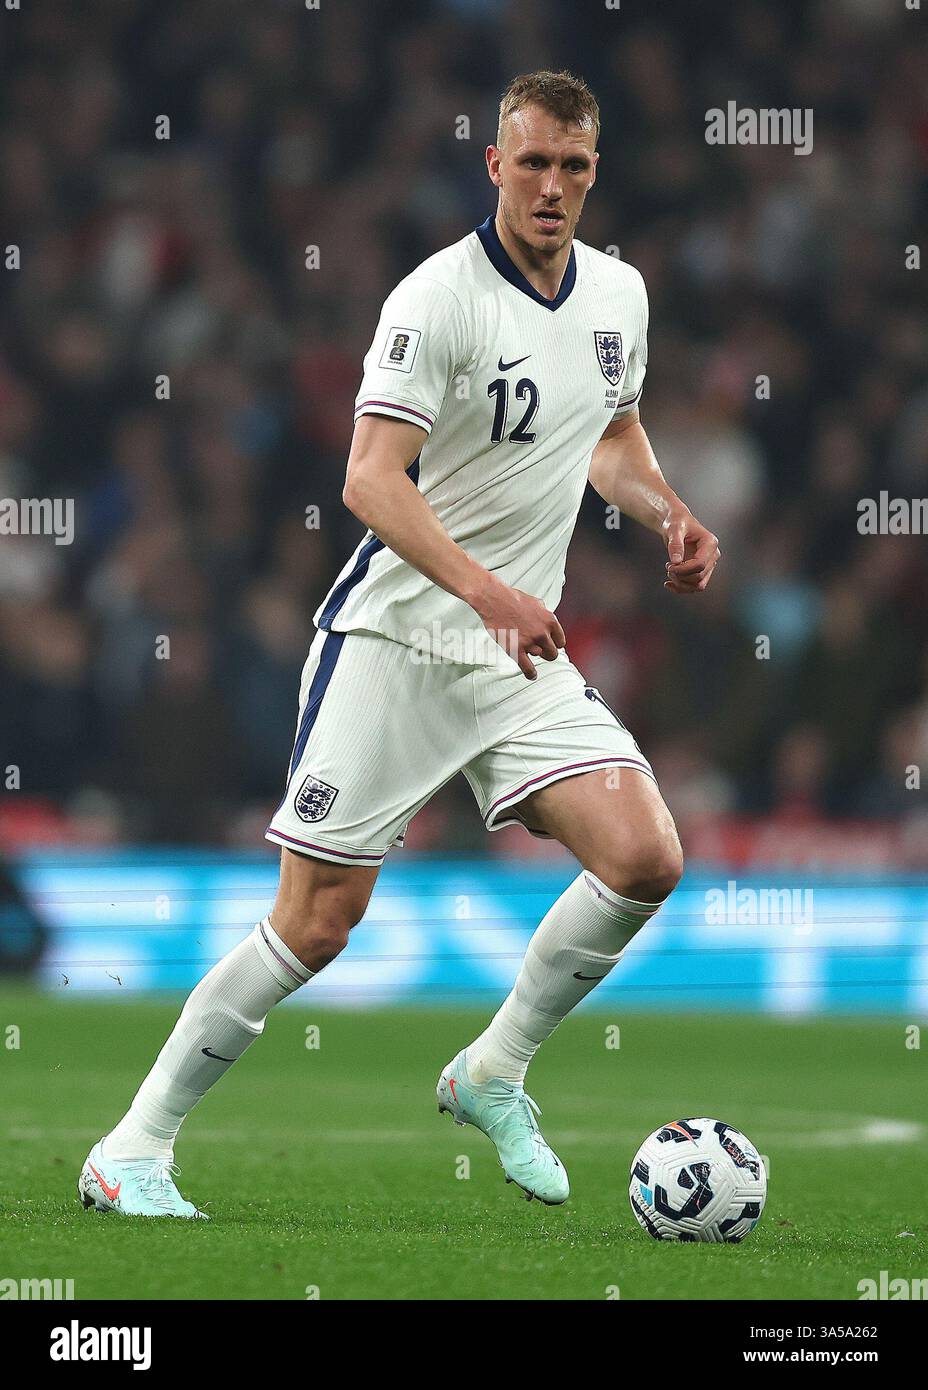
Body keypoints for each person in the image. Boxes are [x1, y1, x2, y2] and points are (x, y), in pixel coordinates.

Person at [79, 69, 720, 1218]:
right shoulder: (437, 297)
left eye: (573, 166)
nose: (552, 187)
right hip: (397, 637)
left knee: (644, 856)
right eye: (532, 163)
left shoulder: (618, 295)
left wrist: (665, 508)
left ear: (593, 172)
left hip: (517, 652)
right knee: (317, 921)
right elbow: (369, 480)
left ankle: (493, 1068)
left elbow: (608, 436)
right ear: (494, 164)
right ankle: (133, 1145)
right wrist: (485, 592)